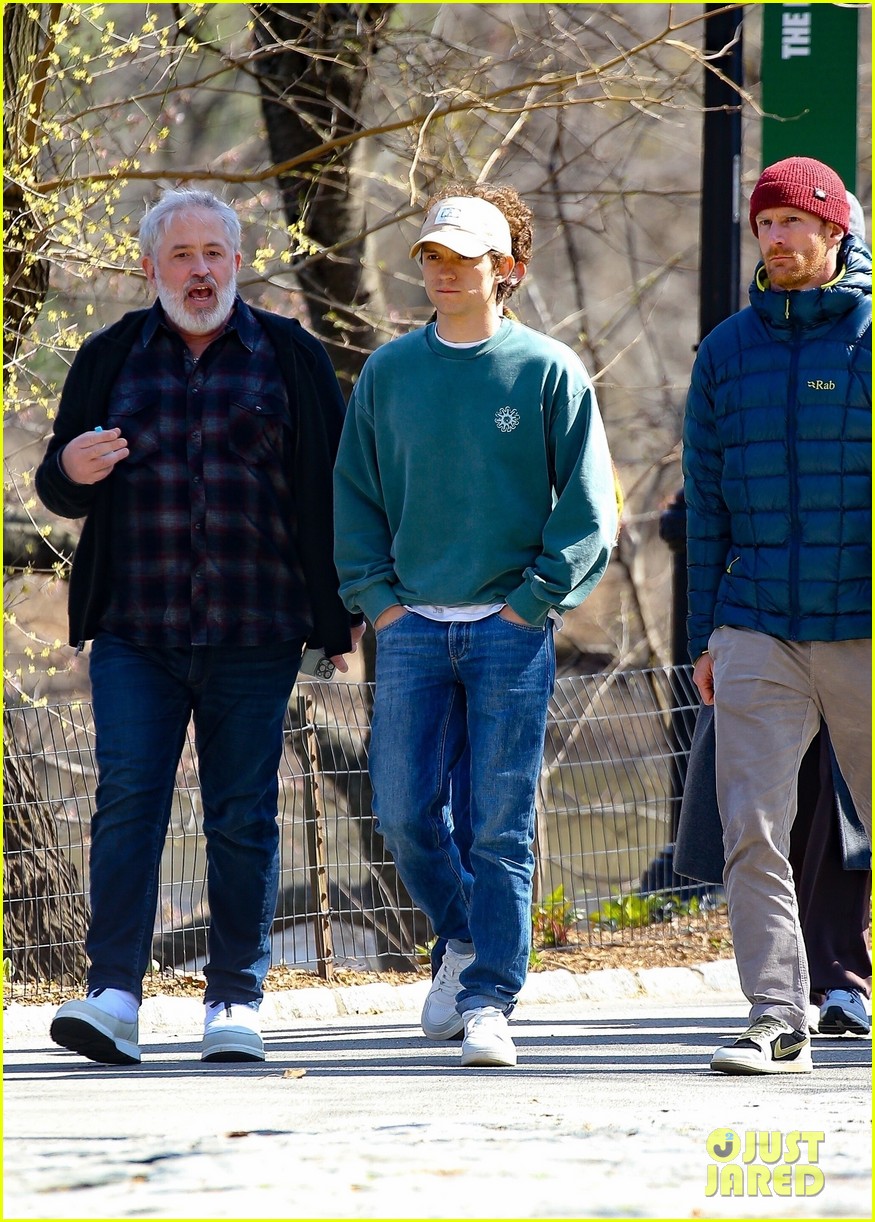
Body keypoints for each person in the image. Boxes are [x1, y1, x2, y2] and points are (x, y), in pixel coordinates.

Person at [37, 188, 362, 1066]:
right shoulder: (108, 359)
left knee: (243, 816)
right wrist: (68, 467)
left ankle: (234, 1002)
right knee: (128, 804)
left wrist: (342, 619)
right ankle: (112, 997)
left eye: (214, 252)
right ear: (150, 268)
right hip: (134, 631)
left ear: (239, 260)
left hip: (256, 632)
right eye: (181, 255)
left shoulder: (290, 357)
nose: (200, 270)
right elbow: (59, 485)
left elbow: (334, 494)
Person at [333, 183, 617, 1068]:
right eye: (432, 256)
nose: (444, 271)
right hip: (411, 626)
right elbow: (354, 496)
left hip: (509, 629)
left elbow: (588, 509)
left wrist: (531, 603)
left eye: (464, 258)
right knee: (405, 812)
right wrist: (379, 603)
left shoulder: (546, 370)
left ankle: (492, 994)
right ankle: (460, 938)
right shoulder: (390, 371)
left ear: (508, 272)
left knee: (499, 823)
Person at [683, 156, 871, 1075]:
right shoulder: (724, 351)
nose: (778, 240)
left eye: (795, 223)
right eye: (765, 225)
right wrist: (704, 636)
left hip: (863, 624)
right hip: (756, 623)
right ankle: (775, 1016)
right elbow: (704, 501)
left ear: (835, 231)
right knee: (751, 826)